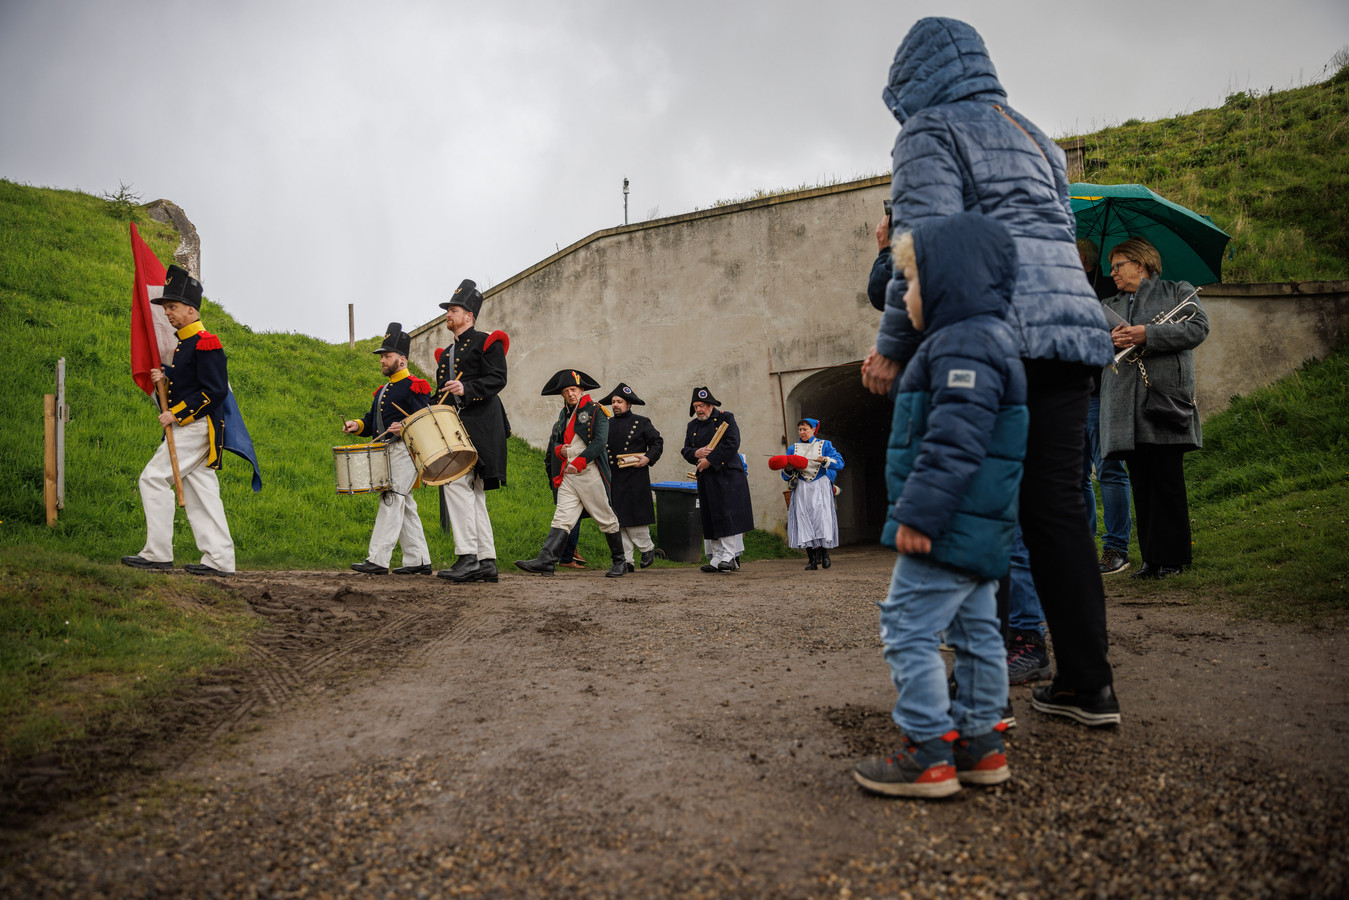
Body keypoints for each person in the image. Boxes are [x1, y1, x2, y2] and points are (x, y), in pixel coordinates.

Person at [861, 17, 1120, 728]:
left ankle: (981, 699)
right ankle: (1087, 686)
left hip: (992, 335)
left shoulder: (930, 130)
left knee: (978, 511)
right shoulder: (1038, 136)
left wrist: (891, 345)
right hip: (1069, 337)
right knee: (1057, 511)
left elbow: (926, 242)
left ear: (912, 80)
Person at [852, 212, 1024, 798]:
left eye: (914, 283)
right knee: (977, 632)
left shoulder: (961, 345)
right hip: (978, 526)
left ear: (953, 282)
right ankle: (980, 743)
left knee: (907, 625)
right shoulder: (981, 340)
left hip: (946, 523)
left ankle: (927, 751)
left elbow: (954, 439)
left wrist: (919, 514)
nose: (907, 297)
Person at [1099, 237, 1209, 579]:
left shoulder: (1178, 291)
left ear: (1141, 264)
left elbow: (1198, 328)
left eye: (1118, 265)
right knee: (1142, 484)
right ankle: (1150, 559)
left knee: (1167, 481)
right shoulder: (1108, 303)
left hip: (1164, 401)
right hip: (1124, 408)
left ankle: (1173, 559)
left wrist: (1148, 333)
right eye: (1111, 267)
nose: (1112, 273)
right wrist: (1108, 341)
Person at [122, 265, 237, 576]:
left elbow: (214, 392)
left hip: (195, 426)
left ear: (190, 309)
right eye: (166, 307)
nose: (167, 313)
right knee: (202, 493)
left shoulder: (206, 342)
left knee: (153, 478)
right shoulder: (184, 344)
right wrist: (167, 374)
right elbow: (189, 380)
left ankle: (157, 553)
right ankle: (219, 560)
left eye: (171, 307)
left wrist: (178, 412)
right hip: (191, 426)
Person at [433, 279, 510, 584]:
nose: (448, 314)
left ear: (469, 316)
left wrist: (467, 388)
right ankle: (486, 560)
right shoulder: (446, 355)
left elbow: (498, 379)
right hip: (458, 425)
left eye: (454, 309)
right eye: (448, 310)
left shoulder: (485, 342)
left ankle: (467, 557)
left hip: (483, 422)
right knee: (473, 491)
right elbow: (441, 394)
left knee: (456, 483)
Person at [515, 370, 628, 578]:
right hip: (569, 472)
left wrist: (579, 460)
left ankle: (620, 561)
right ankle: (547, 561)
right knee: (562, 518)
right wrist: (560, 451)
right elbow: (557, 441)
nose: (570, 394)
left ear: (581, 390)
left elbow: (600, 443)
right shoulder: (564, 413)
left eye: (573, 390)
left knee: (605, 517)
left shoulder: (596, 411)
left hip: (588, 471)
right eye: (566, 391)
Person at [343, 324, 434, 575]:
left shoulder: (417, 386)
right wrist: (356, 425)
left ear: (402, 360)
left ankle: (378, 559)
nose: (382, 360)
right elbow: (372, 421)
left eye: (387, 356)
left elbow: (424, 421)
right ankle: (419, 561)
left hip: (406, 451)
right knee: (405, 503)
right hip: (386, 453)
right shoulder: (383, 391)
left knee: (391, 498)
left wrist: (404, 426)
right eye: (382, 356)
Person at [1079, 239, 1135, 575]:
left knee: (1110, 470)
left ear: (1082, 257)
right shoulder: (1065, 289)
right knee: (1076, 476)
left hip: (1101, 392)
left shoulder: (1107, 292)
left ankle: (1116, 548)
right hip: (1070, 394)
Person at [681, 388, 754, 573]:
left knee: (726, 513)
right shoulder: (692, 426)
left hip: (726, 473)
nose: (699, 410)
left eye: (702, 406)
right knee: (710, 515)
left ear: (711, 405)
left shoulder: (725, 418)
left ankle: (730, 555)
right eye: (696, 406)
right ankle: (718, 557)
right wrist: (696, 453)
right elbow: (686, 449)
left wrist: (710, 460)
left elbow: (732, 443)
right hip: (706, 476)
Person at [603, 383, 664, 572]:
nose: (615, 405)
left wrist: (647, 458)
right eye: (613, 402)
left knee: (635, 518)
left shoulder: (642, 422)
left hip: (636, 477)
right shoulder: (606, 424)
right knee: (618, 522)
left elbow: (657, 442)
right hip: (614, 479)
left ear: (629, 404)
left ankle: (647, 549)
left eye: (619, 402)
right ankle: (627, 560)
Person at [774, 418, 844, 570]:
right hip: (802, 488)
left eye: (805, 429)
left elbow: (840, 462)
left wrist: (826, 459)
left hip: (820, 487)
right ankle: (811, 560)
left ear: (813, 430)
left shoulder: (825, 445)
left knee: (821, 519)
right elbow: (785, 475)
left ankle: (824, 555)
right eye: (800, 429)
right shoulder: (793, 448)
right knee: (804, 520)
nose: (802, 432)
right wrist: (788, 469)